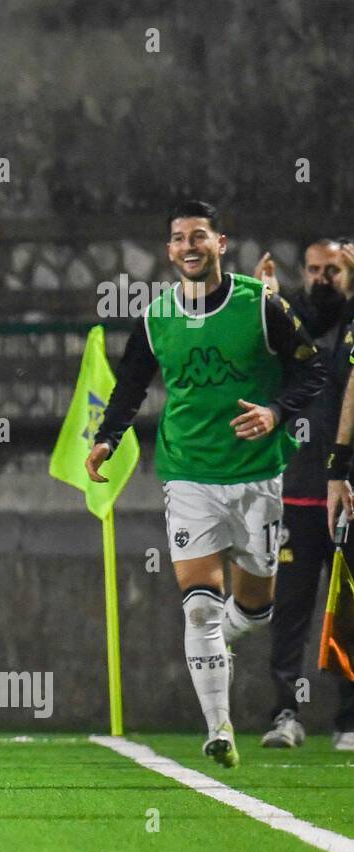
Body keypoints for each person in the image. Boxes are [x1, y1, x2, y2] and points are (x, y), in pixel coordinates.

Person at [87, 200, 326, 768]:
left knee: (256, 606)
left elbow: (312, 370)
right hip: (189, 475)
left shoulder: (261, 305)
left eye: (199, 236)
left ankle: (221, 640)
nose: (188, 246)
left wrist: (275, 411)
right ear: (169, 250)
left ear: (220, 244)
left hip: (258, 475)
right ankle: (219, 728)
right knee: (198, 607)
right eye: (178, 238)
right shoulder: (156, 317)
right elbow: (131, 384)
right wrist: (108, 437)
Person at [252, 239, 354, 748]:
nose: (321, 278)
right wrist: (266, 302)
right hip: (295, 494)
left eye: (332, 269)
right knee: (290, 610)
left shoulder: (349, 328)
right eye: (313, 269)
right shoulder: (292, 324)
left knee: (349, 610)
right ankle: (286, 713)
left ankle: (349, 719)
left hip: (347, 494)